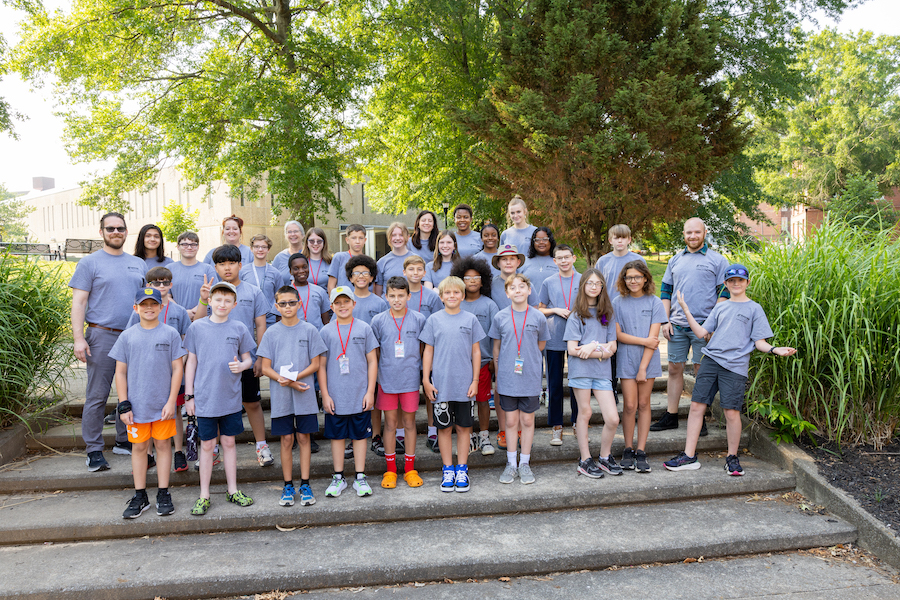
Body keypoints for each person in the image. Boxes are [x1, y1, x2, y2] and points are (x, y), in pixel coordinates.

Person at [665, 264, 797, 475]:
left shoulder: (754, 308)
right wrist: (686, 310)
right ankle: (689, 456)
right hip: (710, 361)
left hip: (735, 367)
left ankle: (732, 458)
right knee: (697, 406)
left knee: (731, 412)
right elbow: (701, 332)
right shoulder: (720, 307)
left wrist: (774, 349)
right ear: (726, 284)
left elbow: (759, 342)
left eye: (740, 280)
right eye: (732, 281)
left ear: (747, 283)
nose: (736, 284)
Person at [70, 212, 148, 472]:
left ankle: (125, 440)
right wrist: (78, 338)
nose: (116, 232)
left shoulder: (138, 264)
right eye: (111, 228)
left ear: (127, 232)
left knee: (132, 392)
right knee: (97, 394)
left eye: (121, 228)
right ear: (101, 232)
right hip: (101, 334)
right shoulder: (89, 263)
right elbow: (79, 302)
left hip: (134, 336)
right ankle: (93, 449)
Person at [111, 287, 186, 518]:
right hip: (137, 406)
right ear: (136, 308)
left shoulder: (170, 334)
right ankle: (140, 495)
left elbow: (177, 368)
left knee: (164, 446)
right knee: (140, 448)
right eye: (144, 304)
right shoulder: (127, 336)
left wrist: (171, 401)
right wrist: (123, 404)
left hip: (162, 405)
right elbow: (120, 373)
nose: (149, 308)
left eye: (153, 304)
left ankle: (163, 492)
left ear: (161, 306)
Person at [196, 244, 273, 467]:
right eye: (221, 264)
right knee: (217, 405)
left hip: (246, 359)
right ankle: (213, 449)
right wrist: (203, 299)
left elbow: (261, 325)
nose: (227, 268)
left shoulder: (252, 291)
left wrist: (260, 358)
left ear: (241, 265)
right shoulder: (212, 293)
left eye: (231, 263)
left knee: (252, 402)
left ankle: (262, 446)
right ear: (215, 267)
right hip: (216, 362)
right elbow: (198, 322)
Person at [184, 281, 256, 515]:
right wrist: (189, 395)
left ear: (234, 304)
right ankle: (204, 494)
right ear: (210, 301)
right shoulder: (197, 327)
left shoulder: (239, 328)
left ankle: (232, 490)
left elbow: (248, 359)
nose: (222, 304)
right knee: (207, 445)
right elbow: (191, 362)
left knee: (228, 443)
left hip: (230, 398)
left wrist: (242, 365)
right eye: (218, 299)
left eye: (227, 301)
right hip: (205, 398)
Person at [651, 217, 728, 434]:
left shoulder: (717, 260)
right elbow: (665, 292)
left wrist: (712, 325)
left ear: (705, 232)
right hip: (677, 326)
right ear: (683, 234)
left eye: (696, 232)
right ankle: (671, 415)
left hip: (704, 327)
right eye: (688, 233)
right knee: (675, 369)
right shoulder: (675, 260)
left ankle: (699, 416)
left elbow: (725, 293)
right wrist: (664, 321)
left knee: (701, 371)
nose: (692, 236)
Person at [258, 286, 327, 507]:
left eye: (292, 302)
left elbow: (316, 364)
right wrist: (284, 380)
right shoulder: (271, 332)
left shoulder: (309, 330)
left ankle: (305, 483)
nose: (288, 307)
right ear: (276, 307)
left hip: (305, 394)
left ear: (299, 304)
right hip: (281, 396)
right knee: (286, 440)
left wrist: (295, 378)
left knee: (304, 438)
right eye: (283, 303)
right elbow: (266, 367)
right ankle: (288, 485)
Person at [420, 276, 486, 493]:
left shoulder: (470, 319)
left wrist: (475, 380)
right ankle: (448, 469)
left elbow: (476, 351)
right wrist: (426, 380)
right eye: (447, 293)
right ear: (440, 297)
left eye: (456, 292)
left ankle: (462, 468)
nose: (452, 296)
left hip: (465, 385)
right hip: (441, 386)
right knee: (444, 428)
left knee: (464, 427)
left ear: (463, 295)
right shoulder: (434, 320)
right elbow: (428, 350)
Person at [126, 266, 192, 472]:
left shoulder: (179, 311)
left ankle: (178, 451)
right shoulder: (139, 311)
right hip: (148, 375)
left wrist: (178, 364)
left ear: (171, 285)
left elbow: (186, 342)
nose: (161, 286)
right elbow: (130, 340)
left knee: (174, 411)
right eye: (156, 283)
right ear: (148, 285)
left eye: (165, 283)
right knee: (149, 412)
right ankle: (148, 453)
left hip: (173, 373)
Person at [318, 286, 379, 498]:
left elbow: (372, 361)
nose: (342, 306)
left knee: (360, 436)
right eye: (338, 303)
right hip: (336, 395)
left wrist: (370, 391)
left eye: (346, 302)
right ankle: (338, 477)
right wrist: (325, 394)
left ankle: (360, 477)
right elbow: (321, 366)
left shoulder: (364, 328)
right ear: (332, 306)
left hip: (359, 393)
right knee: (337, 437)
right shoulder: (326, 331)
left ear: (354, 304)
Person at [490, 274, 550, 485]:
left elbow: (541, 344)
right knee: (511, 421)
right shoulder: (500, 317)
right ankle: (511, 464)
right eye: (512, 288)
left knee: (527, 420)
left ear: (529, 290)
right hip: (507, 378)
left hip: (530, 378)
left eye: (522, 286)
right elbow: (496, 347)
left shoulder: (538, 317)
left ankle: (524, 463)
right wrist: (500, 372)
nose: (517, 290)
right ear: (507, 293)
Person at [370, 277, 426, 489]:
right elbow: (375, 352)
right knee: (391, 424)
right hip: (387, 382)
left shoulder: (419, 319)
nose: (396, 300)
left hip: (410, 381)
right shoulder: (378, 321)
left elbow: (423, 349)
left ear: (409, 296)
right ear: (385, 296)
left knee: (410, 424)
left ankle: (410, 469)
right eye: (392, 296)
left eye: (401, 295)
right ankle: (391, 470)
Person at [564, 268, 619, 478]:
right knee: (585, 413)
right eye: (590, 283)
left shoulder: (608, 313)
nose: (594, 287)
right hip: (581, 372)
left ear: (602, 287)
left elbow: (612, 348)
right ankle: (585, 459)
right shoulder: (577, 315)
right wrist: (599, 349)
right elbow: (572, 349)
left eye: (598, 283)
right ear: (583, 286)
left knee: (613, 418)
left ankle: (604, 457)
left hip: (602, 373)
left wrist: (591, 347)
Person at [613, 261, 666, 473]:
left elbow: (654, 339)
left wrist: (643, 367)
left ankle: (641, 450)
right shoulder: (617, 302)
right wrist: (643, 341)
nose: (633, 281)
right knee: (629, 405)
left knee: (644, 404)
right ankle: (628, 448)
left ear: (645, 278)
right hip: (626, 359)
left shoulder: (655, 303)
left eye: (637, 277)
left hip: (648, 360)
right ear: (624, 280)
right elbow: (618, 335)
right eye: (629, 277)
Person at [339, 254, 388, 456]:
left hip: (374, 357)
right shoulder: (343, 301)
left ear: (371, 277)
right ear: (350, 277)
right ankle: (354, 437)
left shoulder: (379, 303)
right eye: (356, 273)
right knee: (354, 397)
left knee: (374, 397)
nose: (360, 276)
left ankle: (376, 436)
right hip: (350, 358)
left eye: (365, 273)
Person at [452, 256, 499, 456]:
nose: (472, 281)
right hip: (460, 363)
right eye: (467, 277)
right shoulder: (456, 304)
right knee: (463, 401)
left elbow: (496, 335)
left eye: (476, 277)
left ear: (484, 280)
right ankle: (468, 435)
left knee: (482, 400)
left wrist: (493, 362)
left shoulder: (489, 305)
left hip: (484, 363)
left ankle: (484, 435)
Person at [595, 224, 646, 401]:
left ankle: (633, 388)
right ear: (610, 240)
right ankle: (611, 390)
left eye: (623, 238)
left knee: (628, 348)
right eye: (616, 238)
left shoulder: (638, 260)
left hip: (630, 312)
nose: (620, 241)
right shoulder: (603, 261)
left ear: (629, 240)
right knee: (611, 349)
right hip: (608, 312)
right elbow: (598, 287)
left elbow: (644, 287)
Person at [538, 243, 581, 446]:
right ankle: (556, 426)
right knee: (554, 384)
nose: (564, 261)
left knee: (577, 384)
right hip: (554, 337)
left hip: (578, 338)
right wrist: (555, 310)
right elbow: (540, 309)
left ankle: (577, 422)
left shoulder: (583, 280)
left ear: (573, 258)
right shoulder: (548, 282)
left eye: (567, 257)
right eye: (559, 258)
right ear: (554, 261)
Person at [169, 231, 217, 320]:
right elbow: (166, 295)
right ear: (178, 247)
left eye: (193, 244)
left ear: (198, 247)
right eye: (185, 244)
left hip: (202, 319)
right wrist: (183, 312)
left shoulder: (207, 269)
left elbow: (214, 294)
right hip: (176, 318)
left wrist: (196, 310)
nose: (189, 247)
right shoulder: (169, 269)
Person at [240, 234, 286, 326]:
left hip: (270, 321)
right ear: (251, 249)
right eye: (256, 247)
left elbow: (281, 298)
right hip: (248, 320)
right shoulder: (243, 271)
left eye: (263, 247)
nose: (260, 250)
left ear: (268, 250)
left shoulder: (275, 273)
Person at [288, 253, 330, 329]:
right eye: (296, 268)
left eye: (304, 267)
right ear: (290, 271)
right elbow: (279, 321)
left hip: (317, 335)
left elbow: (326, 321)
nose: (301, 271)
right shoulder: (285, 293)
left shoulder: (320, 291)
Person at [491, 245, 539, 310]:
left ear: (518, 262)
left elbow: (534, 310)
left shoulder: (527, 284)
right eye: (504, 259)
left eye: (512, 259)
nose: (508, 262)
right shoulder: (491, 285)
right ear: (498, 263)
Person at [374, 222, 411, 296]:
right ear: (389, 237)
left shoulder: (415, 259)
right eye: (394, 235)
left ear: (408, 237)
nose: (397, 238)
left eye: (401, 235)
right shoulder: (382, 262)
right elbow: (378, 293)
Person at [328, 224, 368, 292]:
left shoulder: (368, 261)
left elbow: (372, 287)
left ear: (365, 240)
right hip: (343, 300)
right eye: (353, 238)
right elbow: (331, 285)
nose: (357, 241)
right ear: (347, 240)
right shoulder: (339, 257)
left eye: (361, 238)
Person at [403, 255, 443, 320]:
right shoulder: (398, 295)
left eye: (419, 269)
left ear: (424, 273)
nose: (415, 273)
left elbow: (439, 320)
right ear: (404, 272)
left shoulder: (432, 296)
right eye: (411, 269)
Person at [521, 227, 558, 291]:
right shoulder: (524, 262)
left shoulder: (560, 261)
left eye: (545, 239)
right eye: (537, 240)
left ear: (551, 241)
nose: (541, 242)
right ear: (533, 242)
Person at [302, 227, 333, 292]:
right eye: (312, 241)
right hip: (305, 300)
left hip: (326, 300)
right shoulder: (300, 261)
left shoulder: (331, 262)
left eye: (319, 241)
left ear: (324, 243)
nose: (315, 244)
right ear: (307, 243)